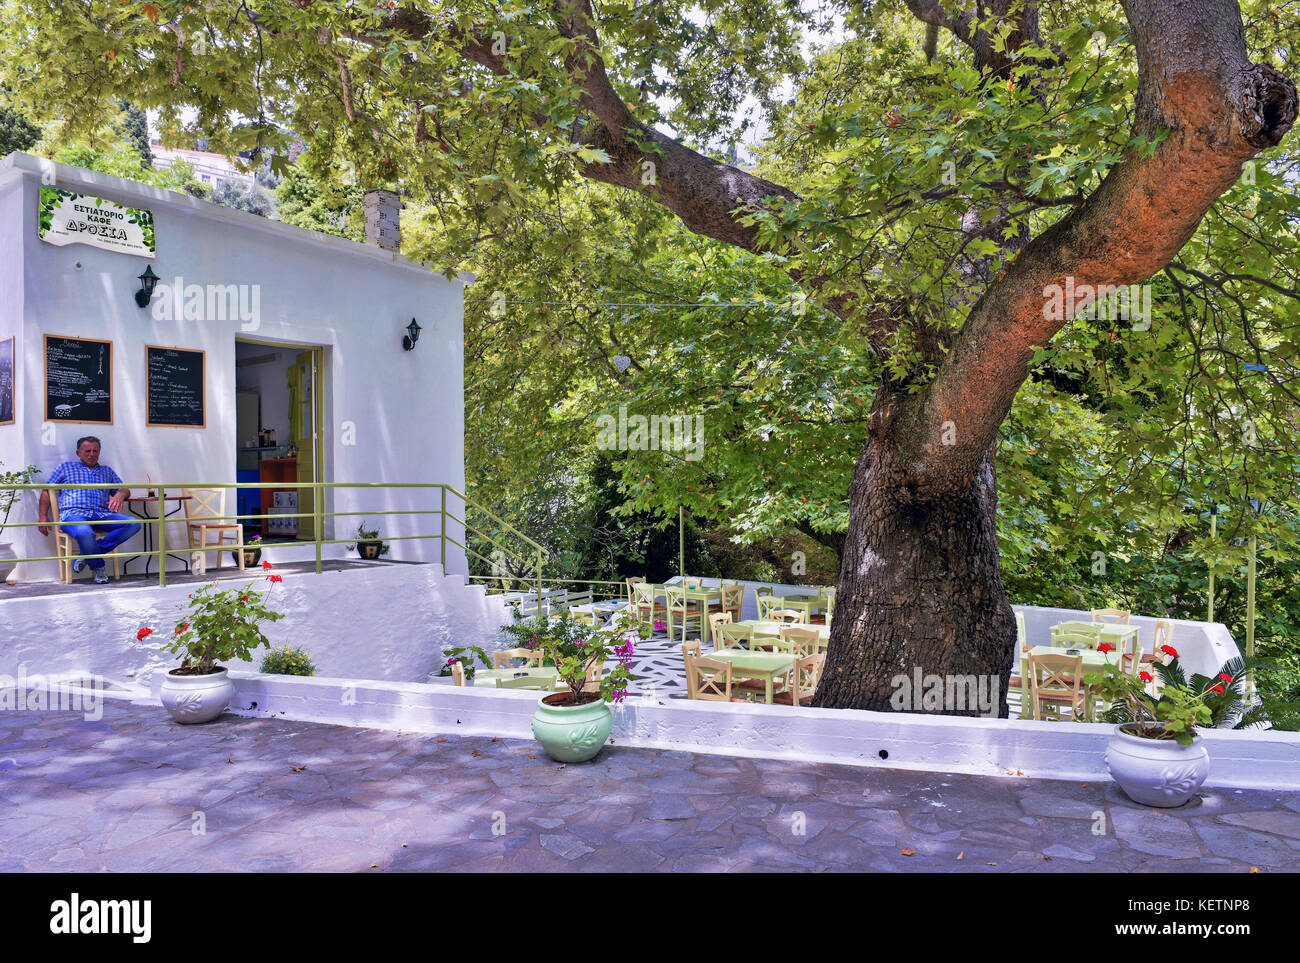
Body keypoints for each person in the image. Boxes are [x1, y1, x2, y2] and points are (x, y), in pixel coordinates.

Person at [37, 437, 141, 585]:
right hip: (73, 515)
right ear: (78, 453)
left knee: (133, 524)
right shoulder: (65, 468)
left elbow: (124, 490)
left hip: (101, 515)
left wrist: (120, 494)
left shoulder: (107, 471)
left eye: (95, 451)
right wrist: (42, 516)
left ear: (99, 452)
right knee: (85, 532)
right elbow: (47, 491)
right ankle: (98, 568)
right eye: (87, 451)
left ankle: (87, 555)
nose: (91, 454)